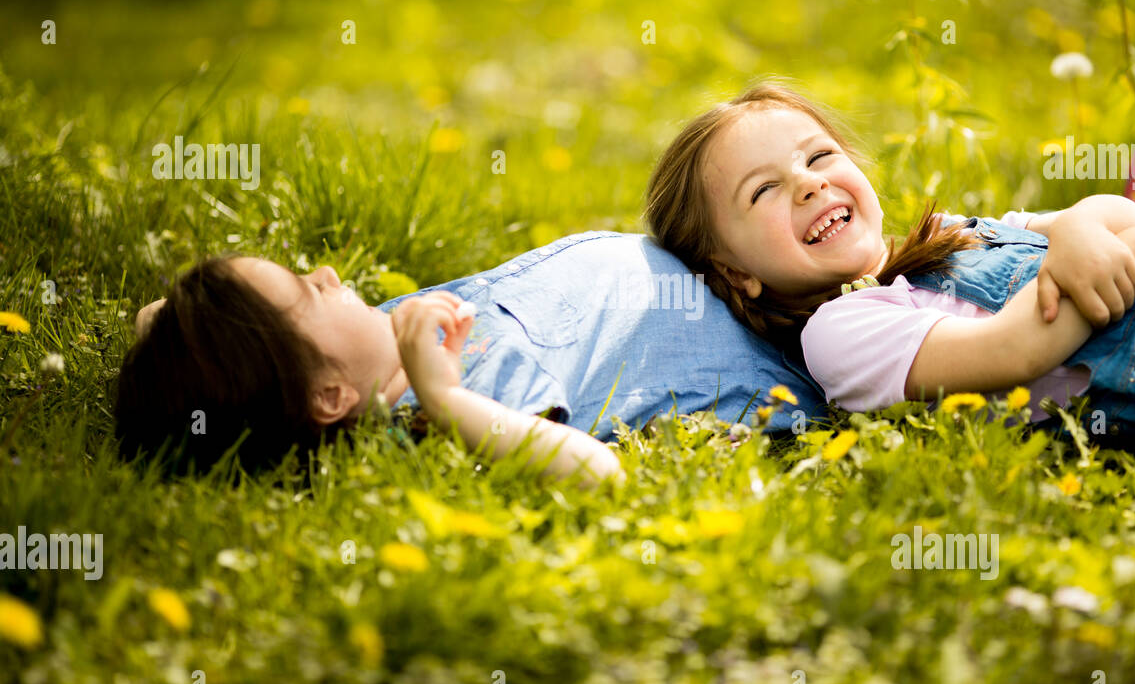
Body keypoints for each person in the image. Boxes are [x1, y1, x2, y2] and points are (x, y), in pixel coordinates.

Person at [644, 81, 1135, 457]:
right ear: (734, 275)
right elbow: (1014, 350)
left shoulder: (947, 231)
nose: (808, 185)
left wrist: (1082, 223)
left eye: (818, 157)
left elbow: (1102, 219)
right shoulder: (840, 332)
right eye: (763, 191)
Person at [117, 231, 826, 481]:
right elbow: (597, 472)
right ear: (329, 398)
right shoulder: (437, 416)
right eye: (308, 294)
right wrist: (448, 398)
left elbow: (159, 320)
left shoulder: (378, 350)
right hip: (774, 341)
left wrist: (180, 326)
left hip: (736, 275)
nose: (328, 275)